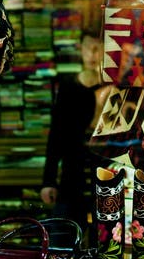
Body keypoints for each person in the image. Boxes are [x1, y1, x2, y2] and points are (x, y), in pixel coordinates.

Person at [41, 30, 110, 233]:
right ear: (81, 50)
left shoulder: (112, 89)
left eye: (98, 48)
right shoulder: (68, 87)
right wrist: (48, 181)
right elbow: (56, 135)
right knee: (64, 235)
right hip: (72, 175)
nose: (92, 54)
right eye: (88, 48)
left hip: (104, 173)